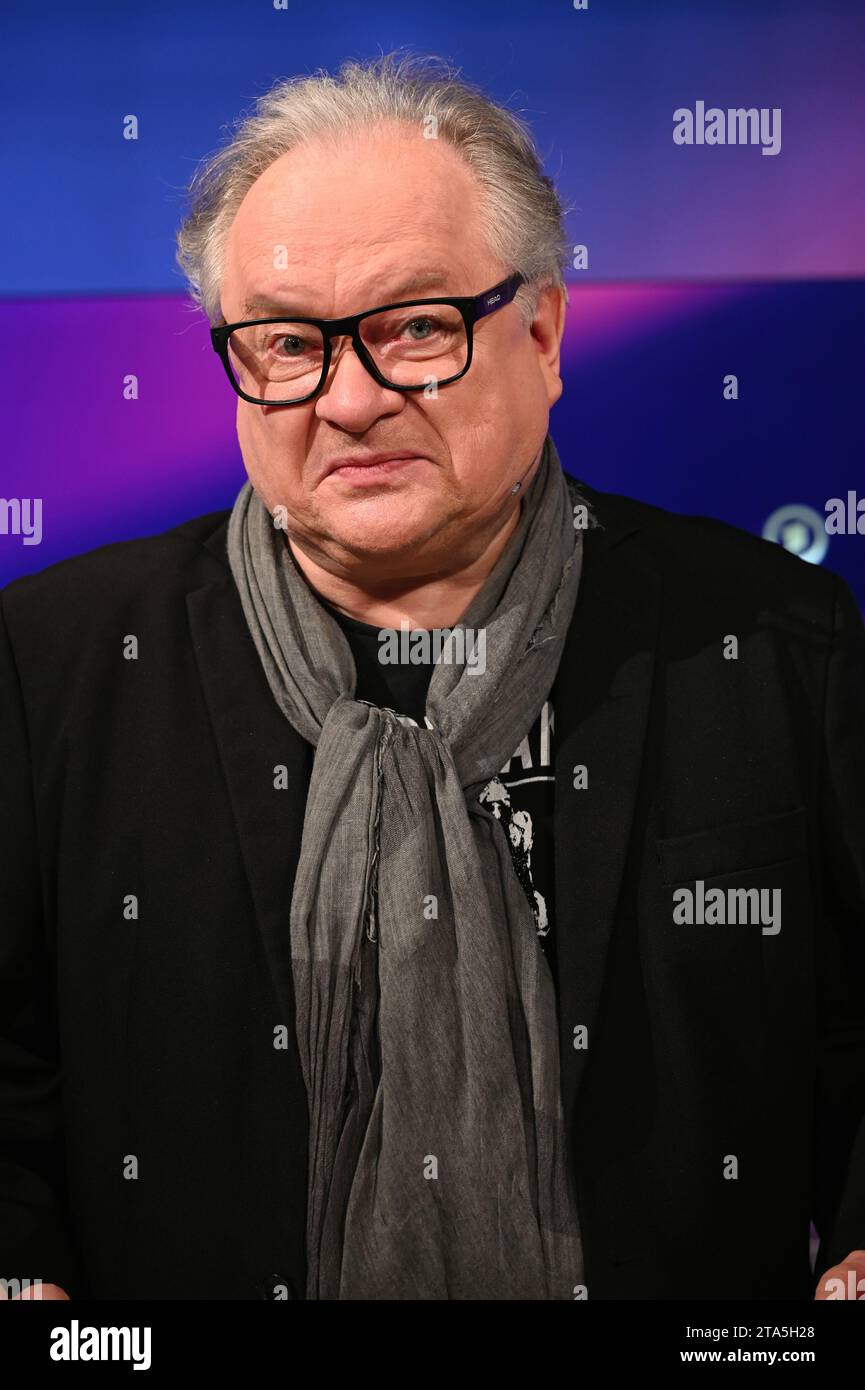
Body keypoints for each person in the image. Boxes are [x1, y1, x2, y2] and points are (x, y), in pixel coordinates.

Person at [2, 52, 864, 1302]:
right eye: (287, 343)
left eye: (415, 326)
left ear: (544, 331)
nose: (348, 399)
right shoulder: (55, 663)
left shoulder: (776, 640)